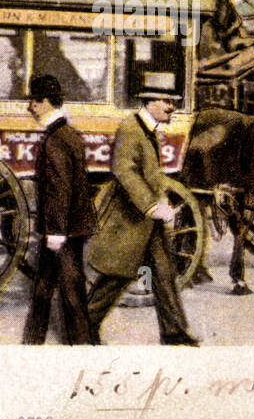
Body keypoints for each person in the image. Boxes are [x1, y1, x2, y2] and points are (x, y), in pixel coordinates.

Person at [86, 74, 200, 346]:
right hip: (131, 219)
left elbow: (150, 176)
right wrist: (151, 206)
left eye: (173, 102)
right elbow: (124, 172)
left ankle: (174, 333)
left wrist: (162, 204)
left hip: (149, 221)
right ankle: (84, 325)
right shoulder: (131, 129)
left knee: (164, 275)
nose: (172, 107)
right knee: (115, 277)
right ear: (149, 102)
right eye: (166, 102)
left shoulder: (149, 131)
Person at [22, 76, 95, 345]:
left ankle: (82, 347)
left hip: (63, 230)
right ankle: (32, 344)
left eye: (33, 101)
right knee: (43, 290)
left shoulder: (56, 140)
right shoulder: (68, 134)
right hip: (67, 227)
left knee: (71, 292)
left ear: (45, 103)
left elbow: (59, 190)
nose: (30, 107)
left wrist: (55, 231)